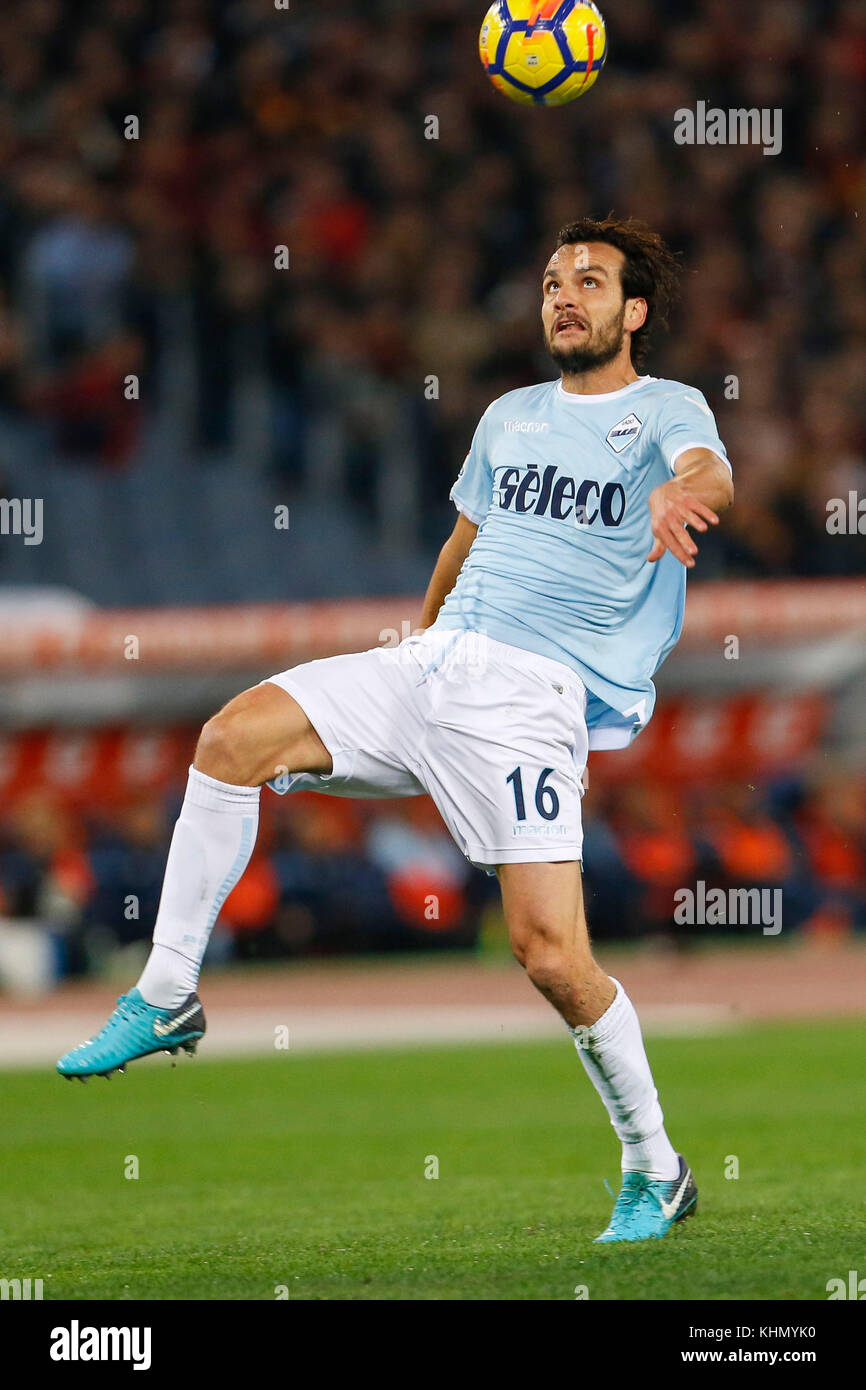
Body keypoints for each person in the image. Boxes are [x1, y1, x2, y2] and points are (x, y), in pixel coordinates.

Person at [57, 216, 734, 1244]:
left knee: (549, 954)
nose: (562, 296)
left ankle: (655, 1165)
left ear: (631, 311)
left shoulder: (664, 409)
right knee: (230, 737)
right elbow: (462, 538)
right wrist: (417, 651)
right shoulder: (508, 416)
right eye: (552, 280)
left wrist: (682, 495)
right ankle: (166, 991)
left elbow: (709, 471)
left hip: (530, 700)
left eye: (587, 282)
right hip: (431, 668)